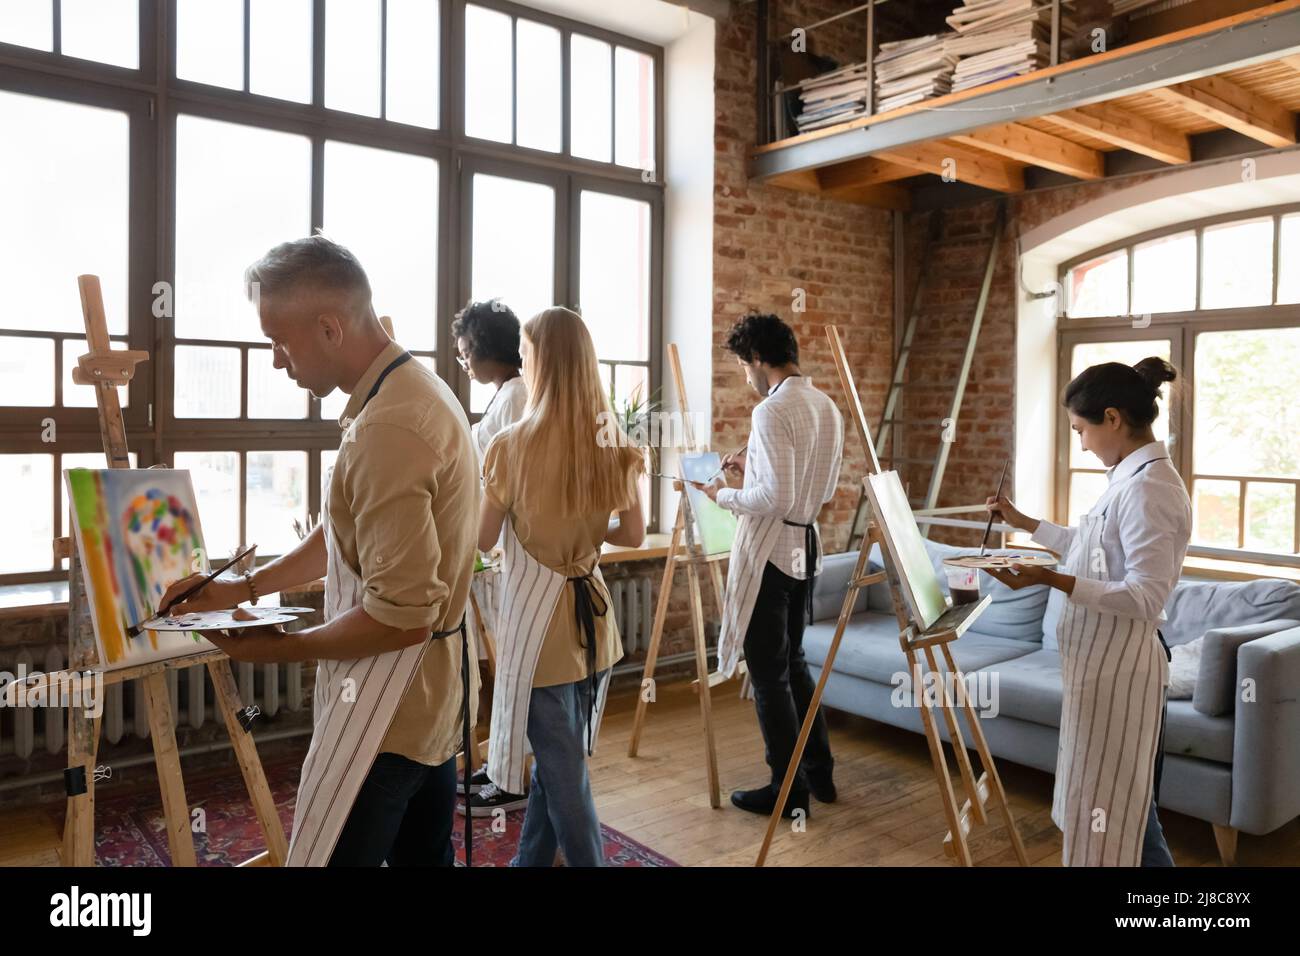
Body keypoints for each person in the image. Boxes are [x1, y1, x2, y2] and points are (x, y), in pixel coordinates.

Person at [159, 236, 479, 867]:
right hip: (432, 698)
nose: (277, 361)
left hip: (390, 706)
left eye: (280, 340)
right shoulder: (411, 386)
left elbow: (402, 615)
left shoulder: (389, 427)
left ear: (330, 327)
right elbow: (342, 534)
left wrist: (283, 647)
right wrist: (242, 588)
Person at [984, 357, 1189, 867]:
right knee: (1123, 811)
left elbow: (1145, 595)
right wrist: (1025, 522)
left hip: (1122, 675)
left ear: (1113, 419)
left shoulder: (1150, 489)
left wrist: (1050, 579)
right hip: (1100, 671)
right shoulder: (1129, 477)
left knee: (1120, 812)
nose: (1081, 443)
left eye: (1082, 430)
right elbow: (1092, 548)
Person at [477, 306, 645, 866]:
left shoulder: (510, 446)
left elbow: (480, 540)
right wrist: (586, 530)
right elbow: (634, 531)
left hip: (539, 631)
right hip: (592, 623)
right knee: (558, 764)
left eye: (526, 355)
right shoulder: (612, 439)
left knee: (563, 773)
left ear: (541, 363)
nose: (522, 364)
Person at [695, 312, 844, 820]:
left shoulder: (770, 411)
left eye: (743, 365)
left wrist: (723, 494)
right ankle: (820, 772)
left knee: (768, 674)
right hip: (807, 543)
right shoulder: (826, 405)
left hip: (772, 552)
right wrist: (751, 471)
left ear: (758, 359)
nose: (745, 375)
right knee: (794, 662)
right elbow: (814, 489)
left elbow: (773, 496)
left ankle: (787, 788)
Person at [452, 299, 530, 816]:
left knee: (511, 666)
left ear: (484, 351)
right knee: (503, 664)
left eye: (464, 352)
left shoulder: (516, 396)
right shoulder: (505, 394)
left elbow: (497, 471)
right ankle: (500, 764)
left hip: (509, 546)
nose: (461, 361)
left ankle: (512, 777)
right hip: (495, 543)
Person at [453, 298, 528, 465]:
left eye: (466, 355)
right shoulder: (508, 393)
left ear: (486, 347)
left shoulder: (515, 397)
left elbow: (516, 467)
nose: (465, 366)